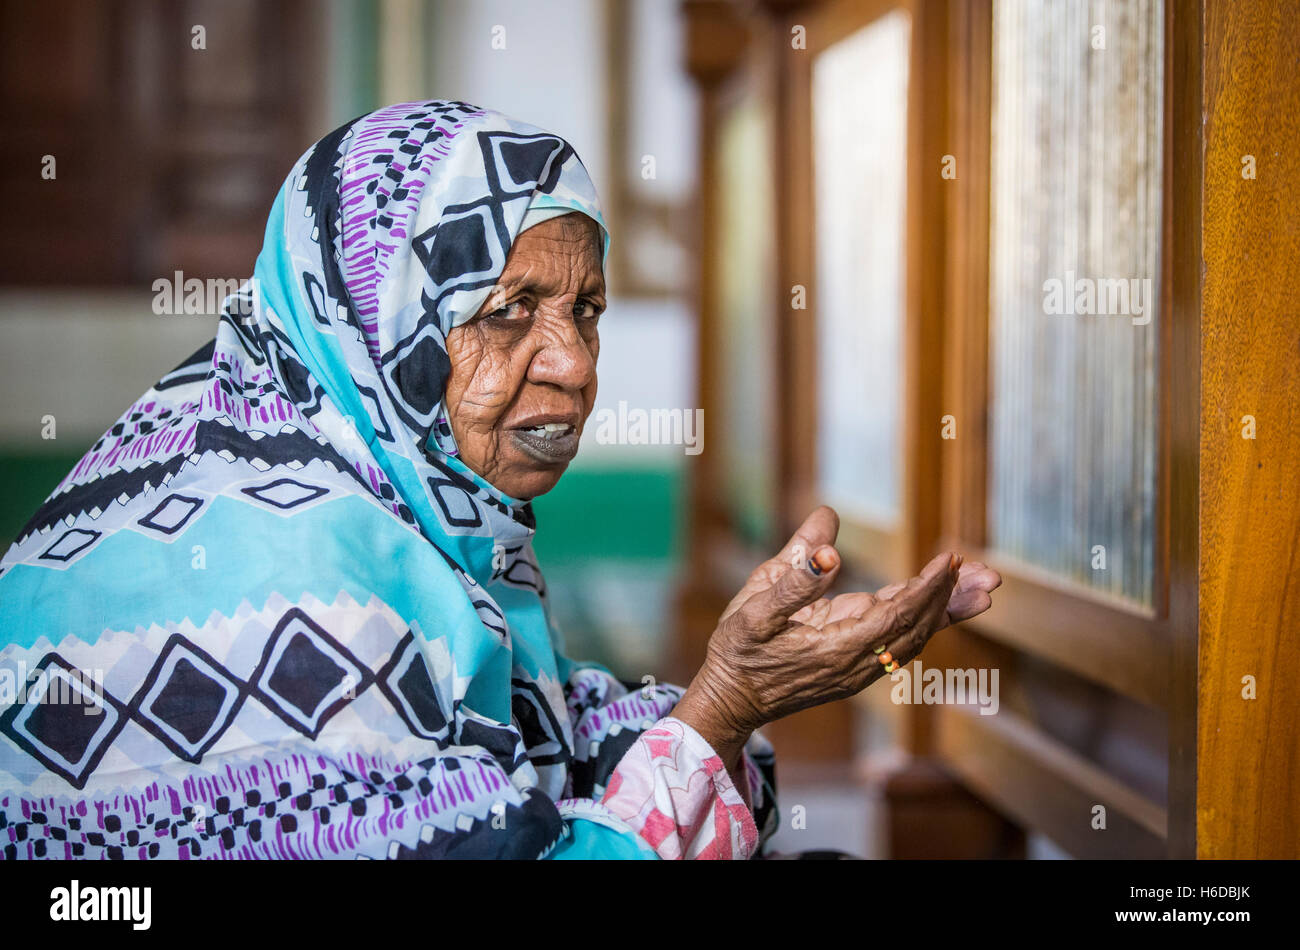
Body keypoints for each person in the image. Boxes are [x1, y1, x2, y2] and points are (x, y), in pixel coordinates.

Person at [0, 101, 1000, 859]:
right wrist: (727, 703)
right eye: (510, 307)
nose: (572, 362)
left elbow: (535, 760)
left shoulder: (410, 519)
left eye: (588, 309)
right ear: (374, 327)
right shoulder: (274, 582)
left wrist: (735, 686)